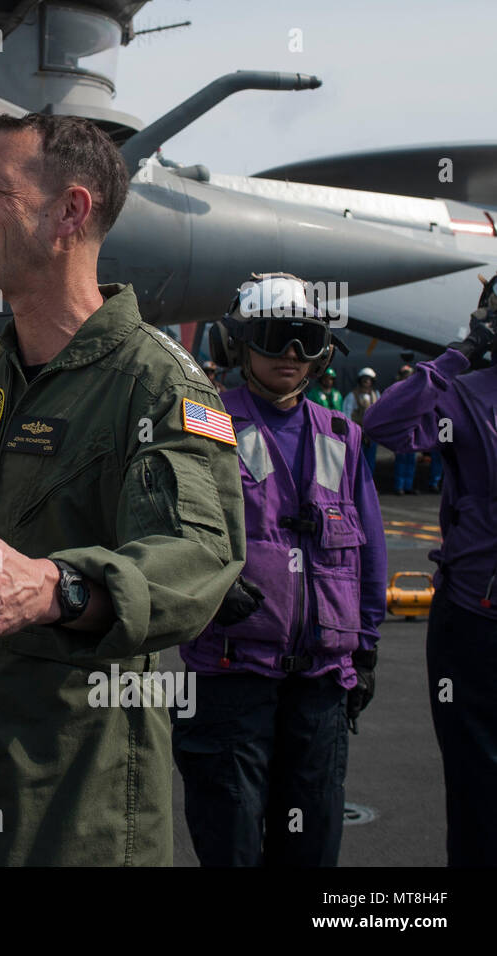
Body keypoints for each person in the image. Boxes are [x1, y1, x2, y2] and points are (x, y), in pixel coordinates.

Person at [0, 112, 247, 866]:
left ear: (69, 213)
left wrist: (53, 588)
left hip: (78, 804)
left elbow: (200, 555)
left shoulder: (158, 383)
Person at [173, 273, 386, 866]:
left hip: (320, 685)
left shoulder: (342, 435)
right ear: (238, 345)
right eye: (274, 337)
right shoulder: (206, 423)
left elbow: (368, 552)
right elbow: (170, 523)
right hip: (230, 678)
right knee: (231, 843)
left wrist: (364, 652)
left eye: (305, 340)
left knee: (312, 847)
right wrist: (209, 586)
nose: (291, 355)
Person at [362, 278, 497, 865]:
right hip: (474, 625)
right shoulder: (467, 395)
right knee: (477, 797)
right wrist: (461, 352)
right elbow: (385, 427)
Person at [344, 367, 381, 473]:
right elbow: (347, 413)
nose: (366, 382)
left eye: (368, 379)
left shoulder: (376, 395)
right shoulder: (352, 396)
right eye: (364, 379)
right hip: (358, 433)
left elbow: (379, 412)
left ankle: (368, 486)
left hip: (371, 433)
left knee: (370, 461)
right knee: (357, 460)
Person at [390, 364, 418, 495]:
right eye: (405, 375)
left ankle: (408, 485)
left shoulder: (415, 391)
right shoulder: (396, 391)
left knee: (411, 460)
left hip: (412, 428)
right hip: (400, 430)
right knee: (401, 460)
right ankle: (399, 486)